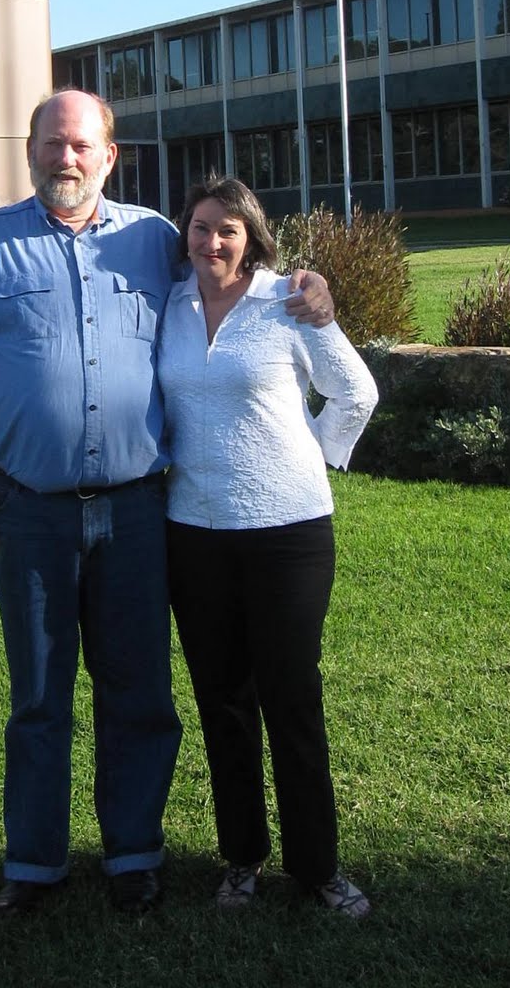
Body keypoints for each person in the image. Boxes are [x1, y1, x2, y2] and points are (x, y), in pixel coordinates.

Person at [0, 91, 334, 918]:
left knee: (138, 690)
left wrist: (310, 289)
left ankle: (133, 856)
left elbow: (236, 273)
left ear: (111, 154)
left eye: (81, 145)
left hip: (141, 511)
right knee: (38, 696)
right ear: (29, 150)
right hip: (29, 511)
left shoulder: (154, 241)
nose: (65, 159)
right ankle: (33, 864)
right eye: (51, 143)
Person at [159, 177, 378, 918]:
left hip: (289, 536)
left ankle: (318, 869)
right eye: (199, 227)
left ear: (251, 236)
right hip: (194, 535)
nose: (211, 241)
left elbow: (356, 392)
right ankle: (242, 860)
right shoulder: (170, 306)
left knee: (291, 700)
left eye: (227, 229)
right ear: (183, 235)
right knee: (223, 704)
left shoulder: (288, 300)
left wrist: (314, 457)